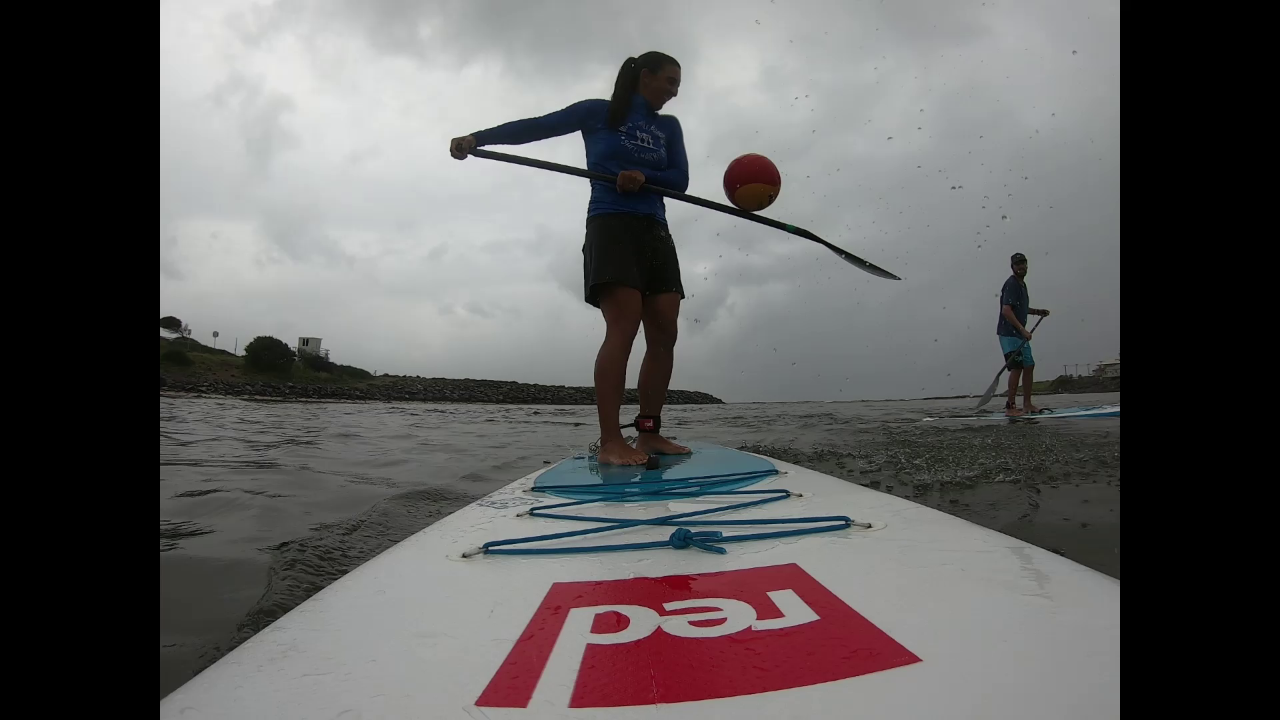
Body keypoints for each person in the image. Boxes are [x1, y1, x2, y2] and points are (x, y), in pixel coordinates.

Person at [449, 52, 691, 466]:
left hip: (655, 230)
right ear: (645, 77)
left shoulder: (668, 126)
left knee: (664, 334)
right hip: (611, 225)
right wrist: (478, 138)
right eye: (669, 83)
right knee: (624, 328)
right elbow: (537, 127)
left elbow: (680, 180)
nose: (673, 93)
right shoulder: (598, 112)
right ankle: (612, 439)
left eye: (677, 86)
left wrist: (644, 178)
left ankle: (648, 433)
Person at [997, 252, 1050, 416]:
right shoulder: (1011, 284)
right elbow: (1006, 310)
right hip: (1009, 334)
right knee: (1017, 367)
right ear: (1012, 267)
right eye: (1017, 264)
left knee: (1029, 365)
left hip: (1019, 335)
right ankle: (1010, 407)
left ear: (1027, 265)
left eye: (1023, 263)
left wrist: (1037, 311)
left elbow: (1020, 307)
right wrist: (1023, 330)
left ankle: (1027, 404)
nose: (1021, 267)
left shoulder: (1022, 285)